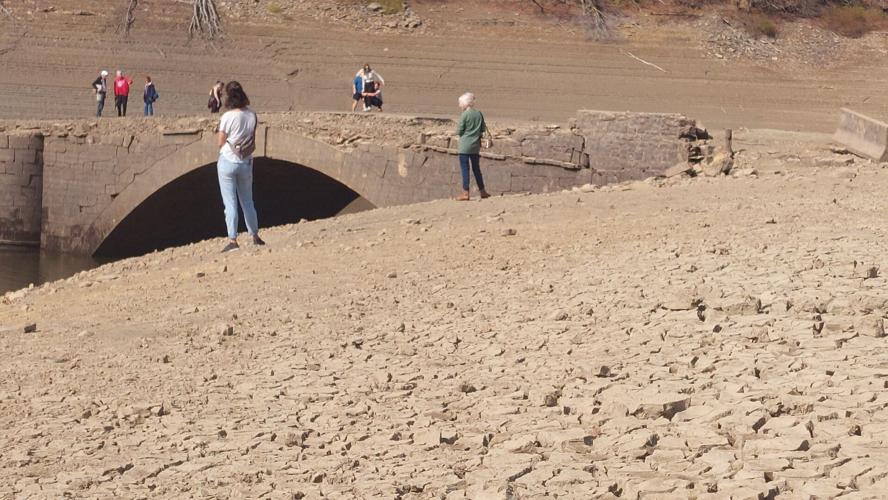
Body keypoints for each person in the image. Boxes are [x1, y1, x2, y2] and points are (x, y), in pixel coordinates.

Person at [216, 81, 264, 253]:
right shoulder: (252, 115)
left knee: (230, 203)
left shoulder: (227, 117)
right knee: (248, 200)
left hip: (228, 161)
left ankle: (233, 240)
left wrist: (225, 151)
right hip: (246, 161)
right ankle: (255, 236)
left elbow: (221, 141)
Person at [455, 92, 491, 201]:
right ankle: (483, 191)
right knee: (476, 169)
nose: (459, 106)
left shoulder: (464, 115)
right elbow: (483, 129)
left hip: (464, 146)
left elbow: (459, 130)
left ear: (465, 104)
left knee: (465, 169)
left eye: (460, 103)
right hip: (475, 146)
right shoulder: (479, 114)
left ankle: (465, 193)